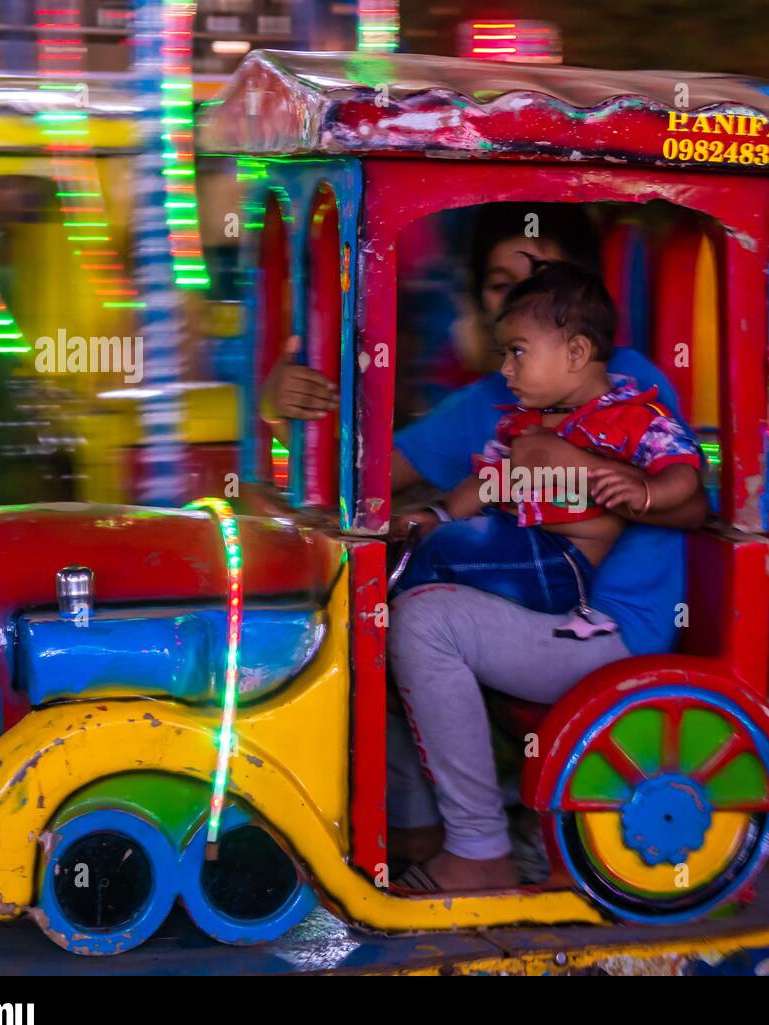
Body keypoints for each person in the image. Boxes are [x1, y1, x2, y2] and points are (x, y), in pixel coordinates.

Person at [262, 202, 707, 890]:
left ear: (580, 324)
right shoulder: (493, 403)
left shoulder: (633, 383)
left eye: (542, 280)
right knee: (370, 593)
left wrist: (593, 476)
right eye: (503, 286)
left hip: (614, 628)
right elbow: (361, 475)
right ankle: (409, 817)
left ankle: (477, 850)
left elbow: (695, 501)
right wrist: (282, 410)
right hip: (537, 613)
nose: (522, 303)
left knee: (419, 618)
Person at [395, 260, 702, 622]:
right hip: (517, 543)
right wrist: (439, 515)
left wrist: (647, 493)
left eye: (518, 352)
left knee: (441, 552)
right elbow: (488, 483)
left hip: (562, 564)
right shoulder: (523, 425)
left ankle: (384, 627)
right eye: (504, 355)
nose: (507, 369)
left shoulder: (633, 417)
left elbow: (683, 472)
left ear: (576, 353)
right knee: (431, 544)